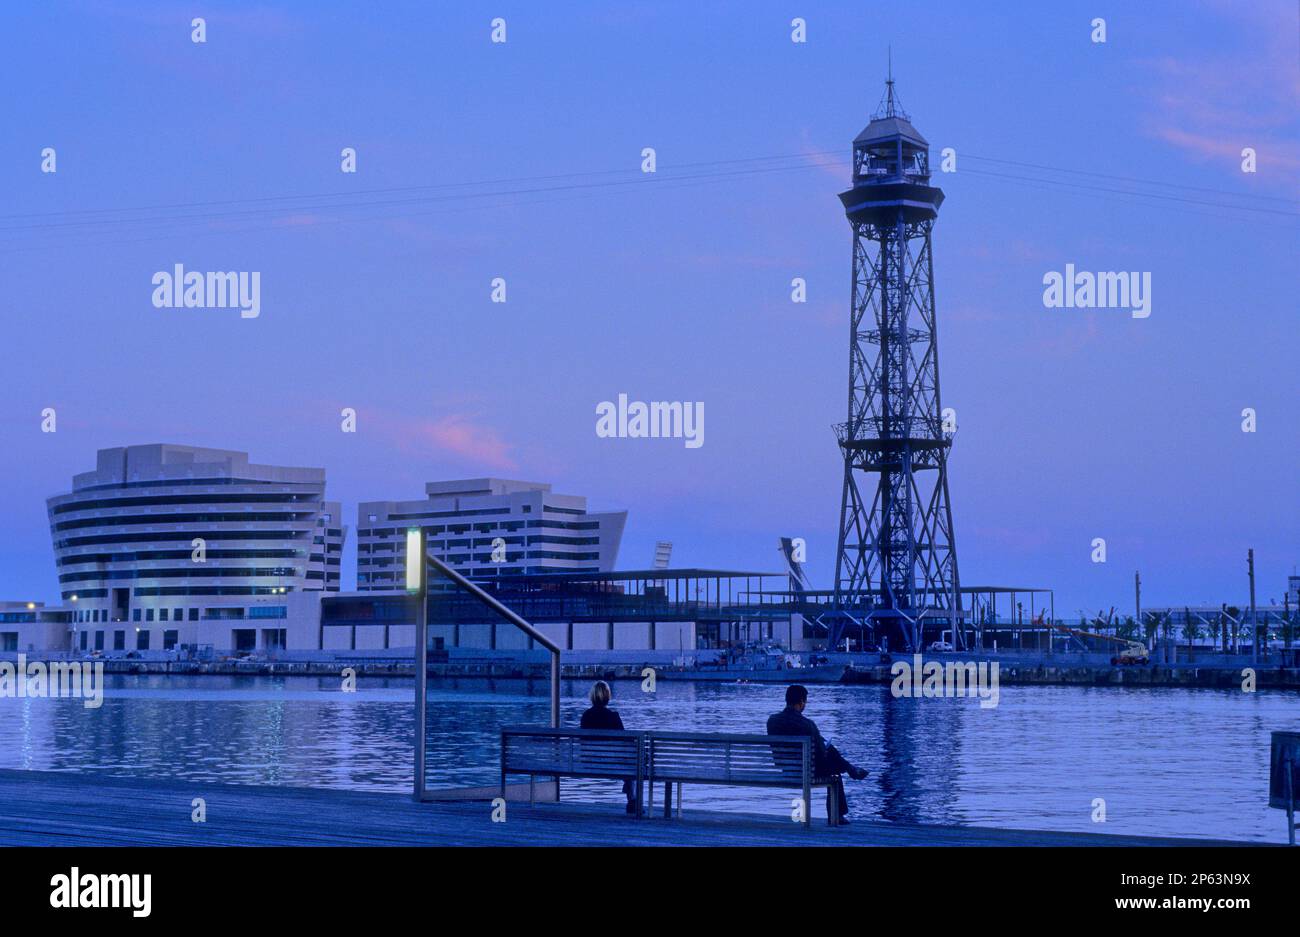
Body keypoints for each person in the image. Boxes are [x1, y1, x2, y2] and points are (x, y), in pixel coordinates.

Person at [767, 684, 868, 824]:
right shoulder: (808, 724)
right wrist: (827, 750)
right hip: (806, 771)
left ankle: (850, 768)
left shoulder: (772, 721)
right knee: (834, 768)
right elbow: (821, 755)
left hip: (786, 769)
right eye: (805, 702)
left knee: (826, 747)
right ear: (802, 702)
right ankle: (849, 774)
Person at [579, 680, 638, 814]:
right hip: (611, 763)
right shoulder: (613, 716)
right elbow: (625, 742)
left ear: (592, 696)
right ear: (607, 697)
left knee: (628, 760)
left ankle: (629, 790)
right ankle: (632, 799)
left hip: (588, 762)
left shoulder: (585, 716)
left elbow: (582, 739)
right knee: (632, 761)